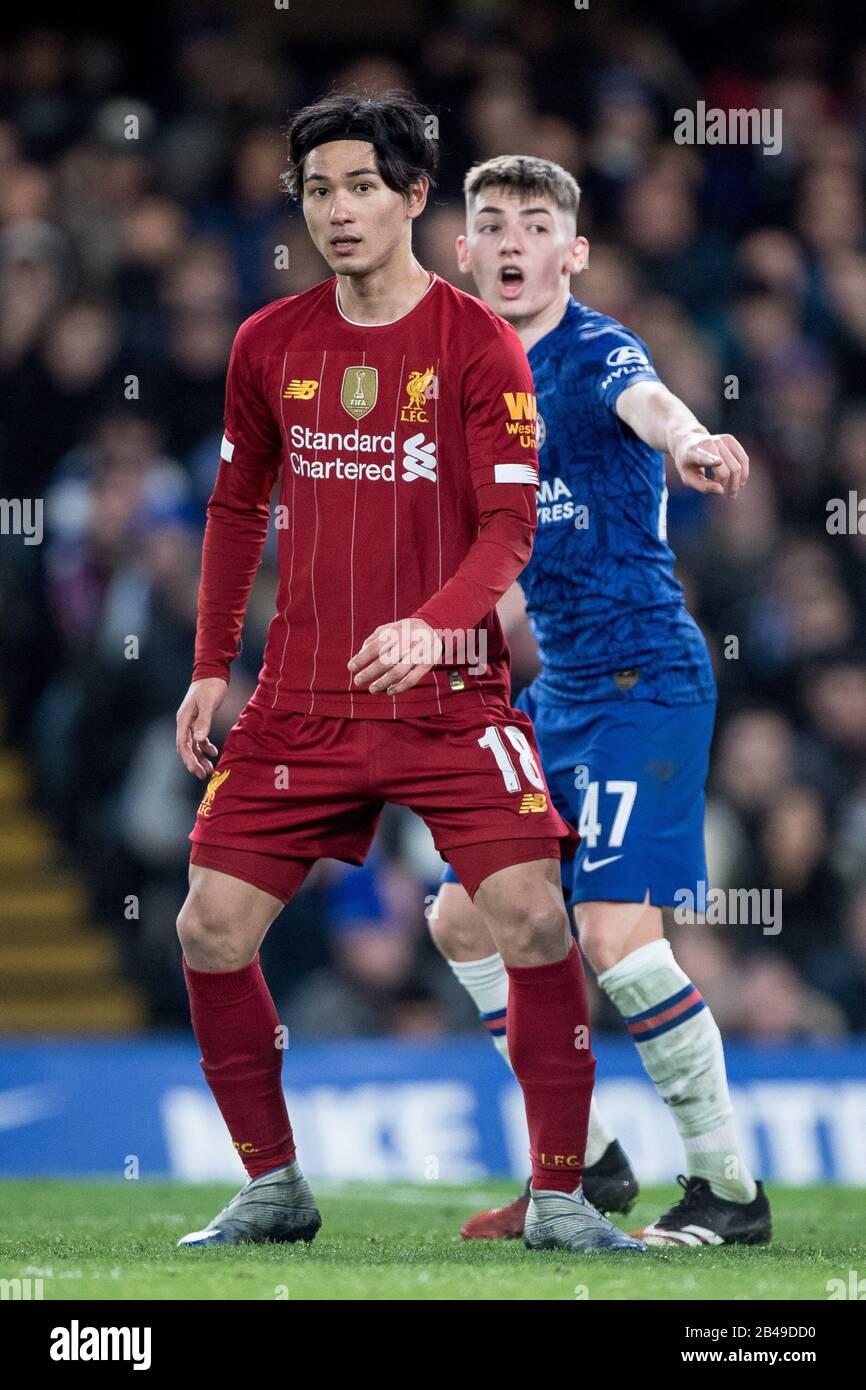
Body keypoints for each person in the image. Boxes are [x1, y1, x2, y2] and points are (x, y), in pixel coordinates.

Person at [173, 96, 644, 1255]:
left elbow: (507, 529)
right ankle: (274, 1187)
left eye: (362, 188)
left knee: (533, 916)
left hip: (449, 700)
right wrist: (206, 668)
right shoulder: (266, 344)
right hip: (299, 702)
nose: (337, 210)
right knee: (207, 928)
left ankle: (562, 1197)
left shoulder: (476, 342)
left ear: (413, 198)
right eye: (318, 189)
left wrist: (436, 628)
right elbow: (236, 511)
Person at [431, 154, 771, 1248]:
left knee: (616, 937)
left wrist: (689, 442)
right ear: (464, 252)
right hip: (562, 688)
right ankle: (588, 1167)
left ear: (571, 254)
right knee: (460, 913)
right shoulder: (462, 376)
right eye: (492, 223)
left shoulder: (592, 351)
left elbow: (650, 398)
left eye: (536, 224)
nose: (513, 241)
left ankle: (727, 1190)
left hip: (643, 680)